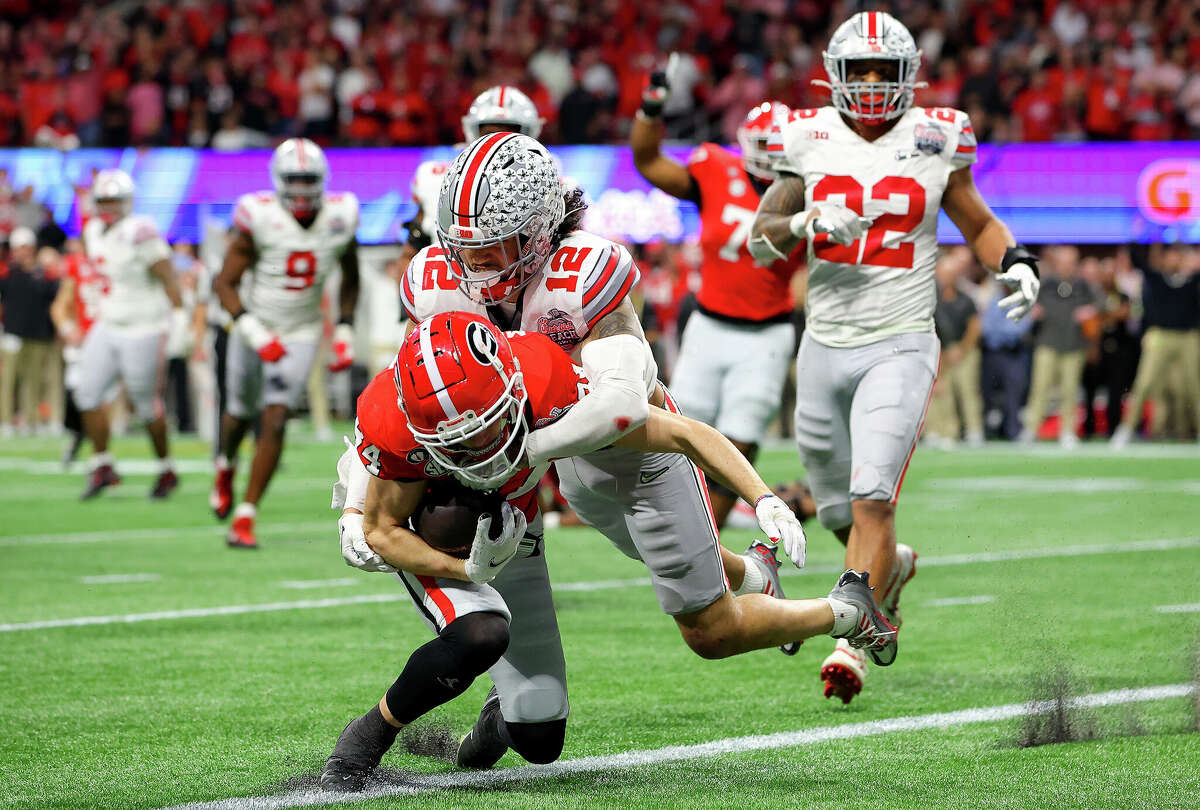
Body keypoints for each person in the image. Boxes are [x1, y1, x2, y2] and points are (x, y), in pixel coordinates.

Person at [321, 313, 896, 791]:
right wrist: (464, 568)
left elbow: (682, 432)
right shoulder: (392, 420)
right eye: (457, 444)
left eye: (487, 430)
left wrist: (762, 497)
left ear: (511, 389)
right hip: (436, 540)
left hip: (516, 525)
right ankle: (367, 736)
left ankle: (501, 714)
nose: (478, 451)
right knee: (481, 634)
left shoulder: (547, 381)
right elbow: (383, 531)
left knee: (540, 739)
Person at [748, 11, 1041, 703]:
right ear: (835, 75)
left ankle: (849, 639)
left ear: (911, 75)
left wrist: (1015, 260)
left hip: (902, 338)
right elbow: (760, 242)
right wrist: (805, 220)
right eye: (863, 70)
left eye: (887, 70)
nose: (875, 82)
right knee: (837, 512)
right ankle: (894, 568)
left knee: (872, 496)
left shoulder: (938, 134)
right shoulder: (806, 136)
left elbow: (976, 219)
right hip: (824, 342)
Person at [397, 133, 792, 614]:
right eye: (463, 245)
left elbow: (623, 405)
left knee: (704, 617)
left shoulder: (580, 272)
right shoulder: (435, 282)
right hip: (567, 461)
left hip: (626, 444)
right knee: (648, 552)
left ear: (538, 232)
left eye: (494, 245)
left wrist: (521, 452)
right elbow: (403, 393)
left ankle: (837, 612)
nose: (474, 261)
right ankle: (755, 575)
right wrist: (357, 507)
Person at [632, 89, 810, 536]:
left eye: (779, 146)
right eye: (764, 145)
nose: (771, 155)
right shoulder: (716, 169)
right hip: (709, 325)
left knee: (742, 436)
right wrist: (650, 112)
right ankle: (677, 524)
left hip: (768, 332)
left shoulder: (810, 191)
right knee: (679, 429)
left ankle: (707, 537)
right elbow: (648, 161)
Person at [211, 138, 360, 549]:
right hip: (254, 325)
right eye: (294, 179)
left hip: (302, 330)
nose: (301, 189)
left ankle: (246, 514)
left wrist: (344, 329)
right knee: (238, 412)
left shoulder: (341, 215)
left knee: (276, 417)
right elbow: (224, 283)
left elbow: (351, 277)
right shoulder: (258, 215)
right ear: (279, 180)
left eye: (308, 180)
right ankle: (225, 464)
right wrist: (255, 332)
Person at [74, 170, 190, 499]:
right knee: (86, 393)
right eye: (103, 201)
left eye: (115, 200)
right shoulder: (92, 230)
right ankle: (102, 464)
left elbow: (168, 278)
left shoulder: (141, 231)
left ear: (127, 201)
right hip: (109, 322)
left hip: (144, 326)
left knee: (145, 405)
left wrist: (179, 319)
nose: (109, 207)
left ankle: (166, 468)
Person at [400, 86, 545, 269]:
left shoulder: (546, 183)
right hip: (452, 275)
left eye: (508, 135)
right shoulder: (436, 177)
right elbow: (412, 249)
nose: (499, 144)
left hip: (523, 276)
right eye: (489, 135)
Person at [1110, 243, 1200, 447]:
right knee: (1143, 383)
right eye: (1171, 256)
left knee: (1195, 386)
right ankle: (1126, 428)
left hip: (1188, 337)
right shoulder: (1157, 278)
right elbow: (1137, 259)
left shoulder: (1193, 280)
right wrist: (1141, 233)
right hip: (1160, 335)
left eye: (1179, 256)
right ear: (1165, 259)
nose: (1175, 260)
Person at [1017, 246, 1098, 448]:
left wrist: (1092, 310)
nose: (1066, 266)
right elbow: (1026, 302)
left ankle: (1067, 431)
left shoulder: (1083, 285)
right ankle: (1031, 429)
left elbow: (1102, 303)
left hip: (1073, 344)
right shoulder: (1045, 283)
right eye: (1063, 262)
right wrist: (1032, 310)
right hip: (1048, 342)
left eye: (1071, 263)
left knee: (1070, 391)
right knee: (1040, 387)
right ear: (1057, 263)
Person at [0, 227, 60, 437]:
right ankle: (5, 421)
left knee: (35, 380)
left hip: (39, 333)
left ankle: (33, 419)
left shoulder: (44, 273)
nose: (22, 252)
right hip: (13, 333)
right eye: (18, 248)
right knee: (8, 381)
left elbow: (55, 298)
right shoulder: (7, 273)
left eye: (25, 247)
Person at [926, 248, 983, 447]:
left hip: (964, 351)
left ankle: (974, 430)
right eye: (943, 273)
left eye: (950, 273)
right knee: (940, 391)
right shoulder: (931, 299)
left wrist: (962, 348)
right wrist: (943, 351)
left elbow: (974, 327)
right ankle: (941, 431)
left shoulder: (965, 299)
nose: (946, 278)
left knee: (968, 390)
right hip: (939, 350)